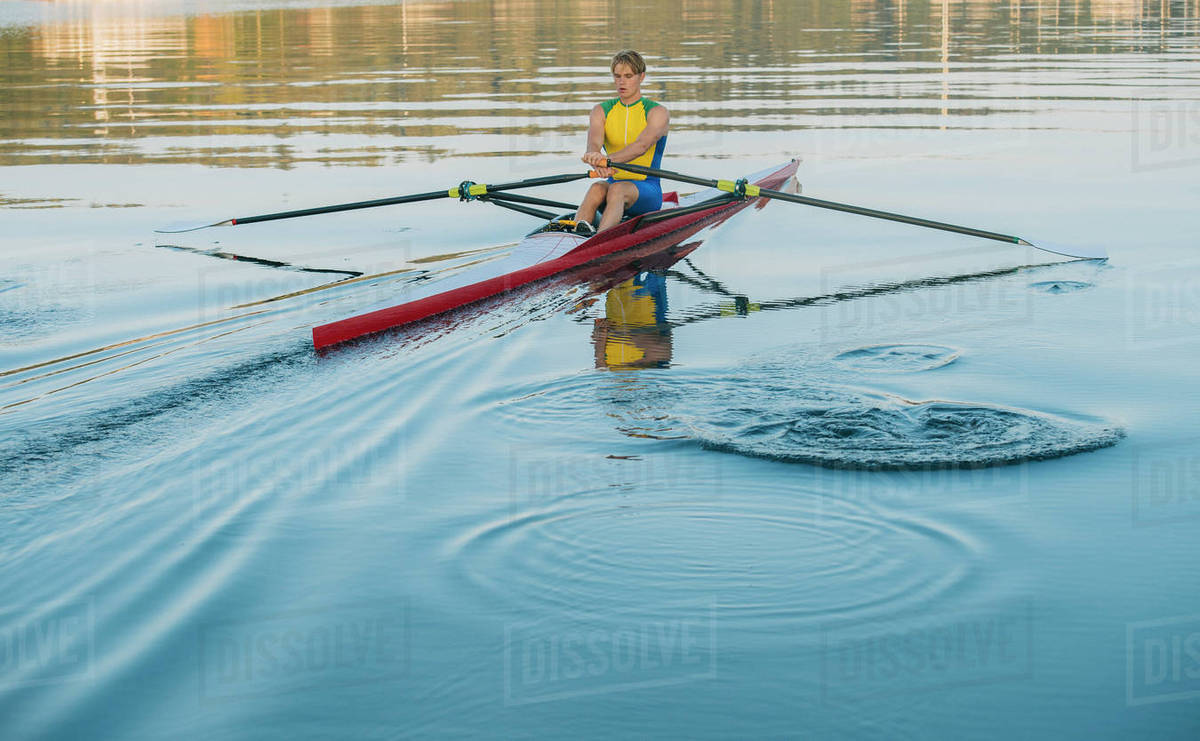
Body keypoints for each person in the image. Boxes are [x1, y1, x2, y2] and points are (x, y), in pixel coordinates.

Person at [572, 50, 669, 234]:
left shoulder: (657, 112)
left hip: (647, 190)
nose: (621, 82)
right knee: (596, 188)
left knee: (617, 189)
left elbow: (641, 146)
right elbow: (594, 142)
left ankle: (599, 241)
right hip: (613, 185)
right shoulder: (601, 111)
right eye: (617, 76)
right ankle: (575, 236)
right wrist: (594, 157)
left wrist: (607, 161)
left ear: (641, 77)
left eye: (628, 76)